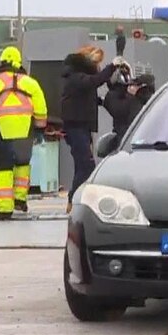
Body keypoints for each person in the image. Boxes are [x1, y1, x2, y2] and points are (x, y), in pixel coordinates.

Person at [0, 47, 48, 220]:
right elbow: (41, 106)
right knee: (22, 164)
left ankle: (5, 208)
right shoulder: (30, 83)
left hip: (3, 130)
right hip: (25, 130)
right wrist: (40, 128)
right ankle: (20, 200)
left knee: (3, 167)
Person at [60, 45, 122, 212]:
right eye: (96, 63)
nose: (98, 67)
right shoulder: (76, 77)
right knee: (86, 165)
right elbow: (94, 82)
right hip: (76, 126)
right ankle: (74, 199)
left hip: (82, 126)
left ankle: (76, 200)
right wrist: (112, 67)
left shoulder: (78, 77)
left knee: (82, 165)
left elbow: (89, 92)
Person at [102, 70, 145, 146]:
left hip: (136, 134)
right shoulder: (113, 95)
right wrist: (131, 96)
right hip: (122, 136)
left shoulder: (136, 96)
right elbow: (119, 111)